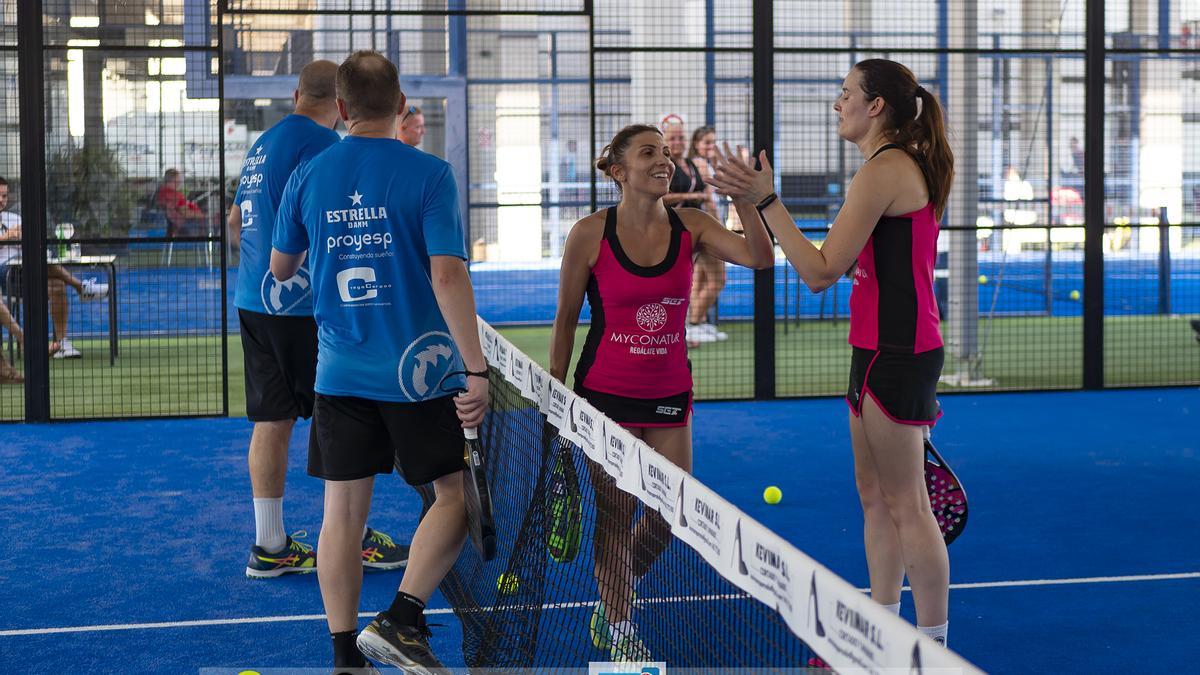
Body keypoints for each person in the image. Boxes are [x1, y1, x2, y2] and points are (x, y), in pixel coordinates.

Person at [709, 58, 953, 649]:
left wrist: (767, 201)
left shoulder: (887, 168)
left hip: (899, 351)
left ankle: (932, 649)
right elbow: (841, 265)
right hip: (876, 349)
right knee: (875, 499)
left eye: (846, 94)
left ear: (876, 106)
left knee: (908, 505)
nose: (837, 104)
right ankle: (882, 635)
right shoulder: (885, 166)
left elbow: (819, 272)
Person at [270, 50, 487, 674]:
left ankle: (346, 657)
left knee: (341, 515)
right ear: (401, 104)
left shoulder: (308, 174)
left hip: (339, 373)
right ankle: (403, 617)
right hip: (420, 375)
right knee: (455, 497)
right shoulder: (431, 173)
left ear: (341, 108)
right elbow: (448, 275)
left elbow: (282, 268)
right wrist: (476, 370)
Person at [549, 123, 773, 661]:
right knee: (615, 514)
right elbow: (565, 320)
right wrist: (557, 396)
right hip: (605, 395)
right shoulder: (589, 233)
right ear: (618, 171)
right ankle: (619, 626)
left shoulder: (692, 225)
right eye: (648, 152)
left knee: (673, 512)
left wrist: (747, 200)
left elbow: (760, 257)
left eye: (666, 152)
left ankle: (616, 584)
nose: (664, 160)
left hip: (670, 392)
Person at [228, 60, 408, 581]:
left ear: (295, 94)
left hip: (254, 299)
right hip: (303, 308)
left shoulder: (263, 143)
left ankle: (270, 545)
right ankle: (352, 536)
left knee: (272, 419)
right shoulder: (325, 144)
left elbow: (236, 222)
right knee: (346, 410)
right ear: (342, 103)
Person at [0, 176, 105, 360]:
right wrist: (7, 236)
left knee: (57, 285)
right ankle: (80, 287)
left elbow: (32, 245)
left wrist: (26, 237)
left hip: (26, 269)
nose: (2, 200)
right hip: (5, 275)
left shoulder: (14, 218)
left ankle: (62, 343)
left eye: (4, 196)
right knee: (37, 264)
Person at [659, 117, 726, 345]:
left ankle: (695, 323)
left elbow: (708, 196)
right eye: (672, 138)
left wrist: (719, 227)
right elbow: (661, 197)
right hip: (674, 233)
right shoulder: (664, 166)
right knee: (678, 284)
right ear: (664, 141)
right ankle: (685, 328)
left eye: (681, 137)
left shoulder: (693, 164)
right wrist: (693, 196)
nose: (678, 142)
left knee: (716, 278)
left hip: (700, 232)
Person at [684, 126, 731, 344]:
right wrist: (719, 227)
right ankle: (693, 323)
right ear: (696, 144)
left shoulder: (702, 163)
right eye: (707, 143)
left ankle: (699, 322)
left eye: (713, 142)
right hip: (707, 229)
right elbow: (709, 200)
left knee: (700, 279)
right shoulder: (700, 164)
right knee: (718, 280)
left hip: (701, 229)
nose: (711, 146)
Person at [155, 168, 205, 238]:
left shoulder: (161, 193)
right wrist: (205, 216)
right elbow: (186, 214)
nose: (180, 182)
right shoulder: (175, 195)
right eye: (178, 180)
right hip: (188, 226)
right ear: (173, 180)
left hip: (177, 226)